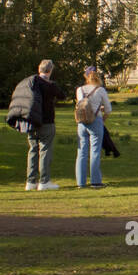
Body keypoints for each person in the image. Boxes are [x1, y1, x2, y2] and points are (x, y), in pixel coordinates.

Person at [27, 59, 66, 191]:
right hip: (46, 121)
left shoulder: (31, 83)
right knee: (45, 150)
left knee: (33, 150)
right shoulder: (50, 85)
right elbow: (62, 96)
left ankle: (30, 181)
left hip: (31, 120)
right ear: (50, 71)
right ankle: (44, 181)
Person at [74, 66, 113, 189]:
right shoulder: (100, 90)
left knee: (81, 152)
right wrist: (103, 118)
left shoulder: (80, 90)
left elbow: (82, 105)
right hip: (96, 121)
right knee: (95, 151)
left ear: (86, 76)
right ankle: (95, 181)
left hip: (82, 122)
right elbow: (108, 109)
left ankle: (80, 182)